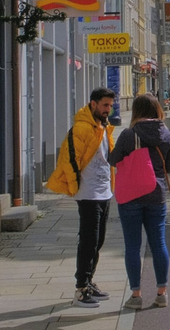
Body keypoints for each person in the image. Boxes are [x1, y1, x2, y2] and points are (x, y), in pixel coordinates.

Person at [46, 87, 117, 306]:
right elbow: (69, 159)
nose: (108, 110)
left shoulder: (103, 128)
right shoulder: (81, 128)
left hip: (104, 192)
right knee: (88, 241)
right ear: (93, 104)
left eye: (110, 106)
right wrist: (75, 186)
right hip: (88, 193)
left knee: (98, 240)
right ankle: (80, 289)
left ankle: (89, 281)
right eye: (105, 105)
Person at [109, 93, 170, 310]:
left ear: (136, 111)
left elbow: (113, 159)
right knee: (159, 243)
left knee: (132, 246)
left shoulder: (129, 135)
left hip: (131, 195)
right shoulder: (167, 135)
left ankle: (136, 295)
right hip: (157, 194)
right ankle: (161, 293)